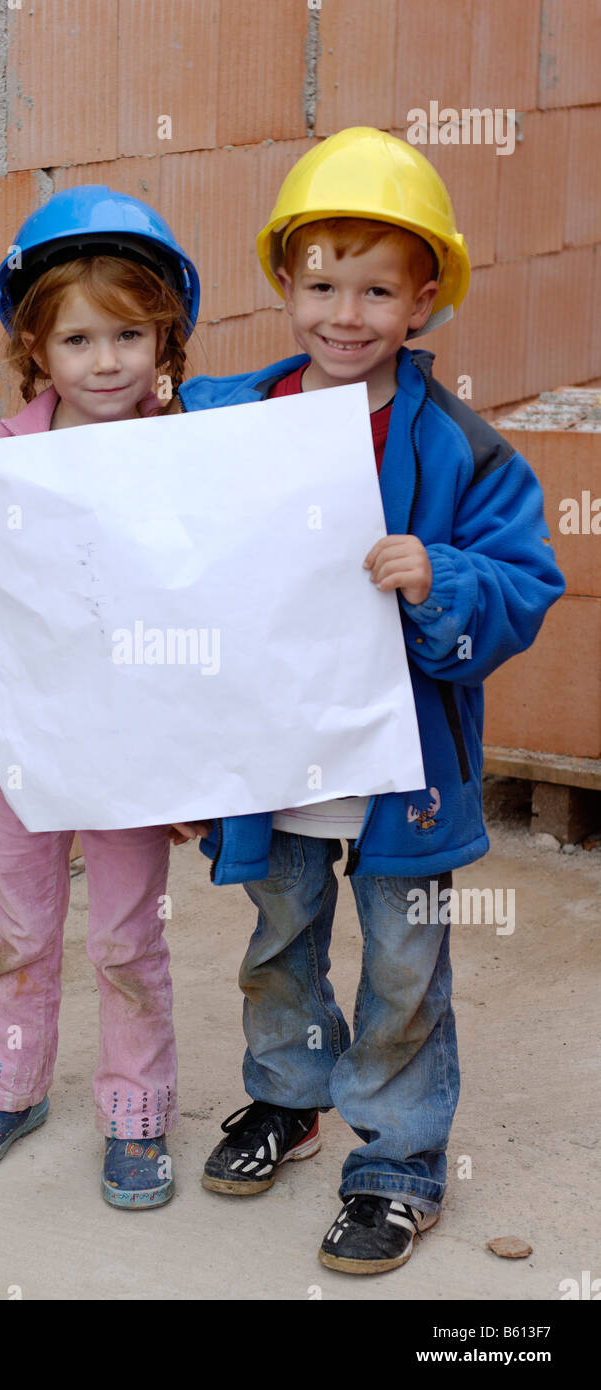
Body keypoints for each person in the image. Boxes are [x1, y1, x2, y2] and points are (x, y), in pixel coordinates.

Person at [173, 127, 566, 1271]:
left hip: (406, 773)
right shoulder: (227, 418)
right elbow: (143, 523)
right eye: (320, 282)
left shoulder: (463, 449)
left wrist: (443, 576)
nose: (345, 312)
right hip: (278, 752)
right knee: (278, 938)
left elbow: (528, 581)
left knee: (404, 964)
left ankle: (395, 1158)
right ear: (285, 285)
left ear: (425, 296)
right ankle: (289, 1098)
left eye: (378, 287)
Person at [0, 186, 201, 1208]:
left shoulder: (195, 460)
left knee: (129, 933)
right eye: (79, 338)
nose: (107, 359)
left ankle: (136, 1106)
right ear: (36, 351)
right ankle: (8, 1084)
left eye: (131, 333)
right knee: (20, 928)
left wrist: (207, 759)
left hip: (133, 752)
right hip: (20, 742)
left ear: (167, 340)